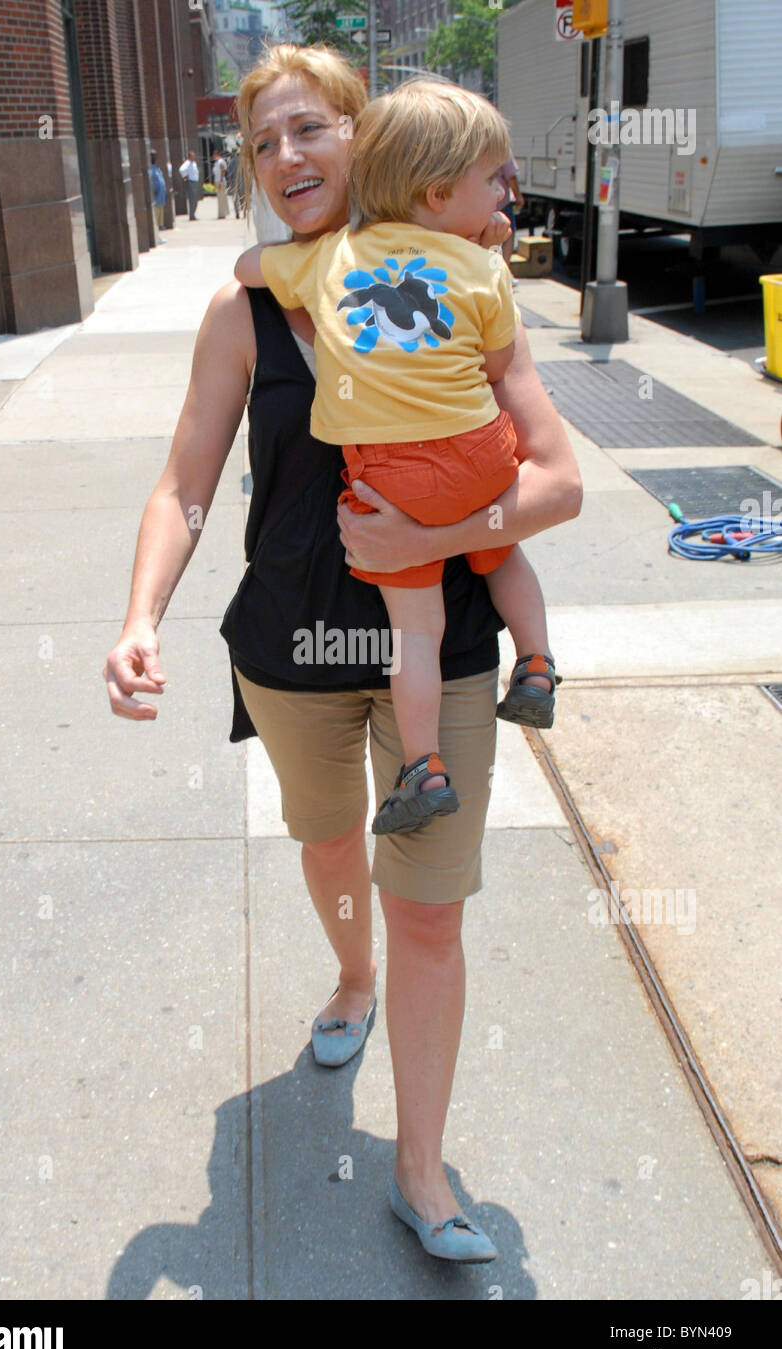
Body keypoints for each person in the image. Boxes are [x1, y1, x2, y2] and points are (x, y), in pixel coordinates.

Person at [102, 44, 582, 1265]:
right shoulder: (249, 306)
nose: (284, 161)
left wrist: (442, 531)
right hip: (292, 651)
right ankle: (349, 978)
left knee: (434, 913)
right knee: (328, 847)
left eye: (308, 130)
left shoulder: (462, 278)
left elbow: (557, 480)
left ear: (367, 139)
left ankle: (421, 1174)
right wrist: (141, 615)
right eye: (261, 144)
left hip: (447, 647)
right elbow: (185, 484)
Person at [234, 81, 559, 840]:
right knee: (498, 551)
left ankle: (424, 767)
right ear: (441, 191)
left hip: (390, 477)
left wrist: (290, 256)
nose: (505, 194)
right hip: (479, 455)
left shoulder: (328, 260)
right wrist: (484, 254)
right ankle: (538, 662)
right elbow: (499, 357)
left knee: (416, 632)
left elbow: (249, 268)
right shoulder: (484, 269)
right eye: (494, 180)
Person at [498, 148, 525, 267]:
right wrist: (518, 196)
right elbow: (511, 176)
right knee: (509, 233)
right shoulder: (501, 147)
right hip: (501, 200)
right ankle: (504, 268)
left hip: (479, 202)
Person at [149, 150, 167, 245]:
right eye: (152, 156)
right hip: (155, 199)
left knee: (159, 222)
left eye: (155, 156)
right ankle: (157, 238)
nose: (154, 158)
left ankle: (158, 237)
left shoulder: (157, 168)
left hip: (160, 199)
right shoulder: (150, 169)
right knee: (155, 221)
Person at [179, 150, 200, 221]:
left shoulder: (194, 163)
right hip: (191, 182)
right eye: (193, 156)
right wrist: (185, 176)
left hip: (195, 182)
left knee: (195, 199)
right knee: (192, 199)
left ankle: (193, 214)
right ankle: (191, 215)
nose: (194, 157)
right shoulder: (187, 163)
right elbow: (181, 169)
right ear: (189, 156)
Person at [212, 150, 229, 219]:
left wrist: (220, 182)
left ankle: (223, 214)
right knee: (220, 198)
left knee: (222, 198)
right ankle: (221, 213)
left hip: (220, 181)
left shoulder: (221, 162)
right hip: (217, 180)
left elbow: (222, 172)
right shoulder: (216, 162)